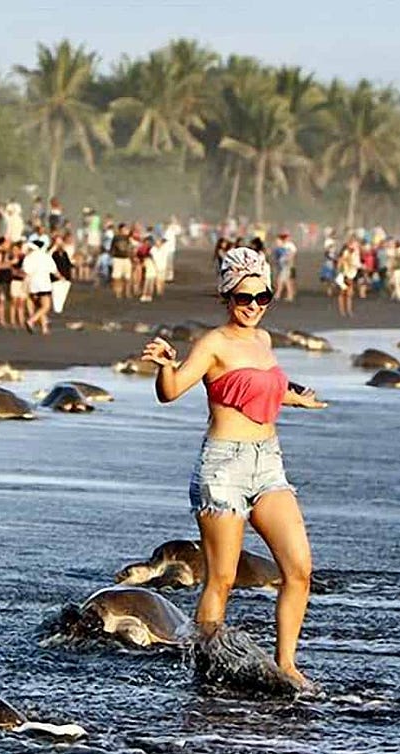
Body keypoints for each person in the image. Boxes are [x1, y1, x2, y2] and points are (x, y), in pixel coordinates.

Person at [139, 247, 327, 691]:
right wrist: (165, 366)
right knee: (221, 579)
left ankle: (287, 666)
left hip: (269, 463)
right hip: (223, 468)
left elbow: (259, 389)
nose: (254, 306)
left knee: (299, 569)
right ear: (227, 296)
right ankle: (205, 669)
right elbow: (171, 391)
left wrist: (295, 398)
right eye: (245, 298)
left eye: (263, 297)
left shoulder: (263, 340)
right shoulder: (213, 344)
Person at [21, 236, 56, 335]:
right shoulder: (46, 256)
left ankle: (45, 328)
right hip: (44, 284)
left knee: (40, 307)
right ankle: (31, 320)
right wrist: (60, 277)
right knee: (46, 306)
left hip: (32, 285)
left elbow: (26, 270)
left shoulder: (28, 257)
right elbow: (53, 269)